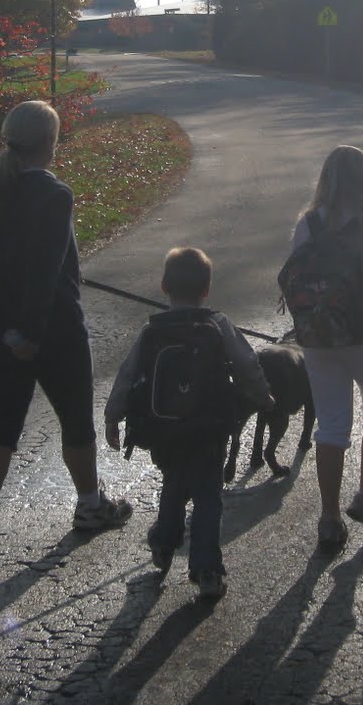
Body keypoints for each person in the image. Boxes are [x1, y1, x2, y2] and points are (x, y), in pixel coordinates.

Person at [0, 99, 131, 567]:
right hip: (52, 328)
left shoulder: (0, 190)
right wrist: (31, 333)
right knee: (76, 420)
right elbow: (42, 271)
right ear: (50, 142)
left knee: (2, 425)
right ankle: (90, 506)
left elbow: (17, 263)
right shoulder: (55, 194)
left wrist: (12, 330)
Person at [104, 247, 273, 600]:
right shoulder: (218, 325)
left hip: (163, 429)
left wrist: (113, 416)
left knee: (175, 483)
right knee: (208, 496)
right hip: (209, 427)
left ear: (164, 285)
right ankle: (207, 570)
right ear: (207, 290)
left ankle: (164, 544)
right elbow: (247, 364)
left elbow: (127, 375)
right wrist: (262, 397)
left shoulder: (152, 332)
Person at [287, 145, 363, 552]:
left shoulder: (308, 224)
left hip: (320, 337)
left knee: (332, 424)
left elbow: (293, 281)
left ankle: (329, 517)